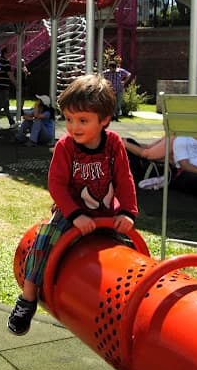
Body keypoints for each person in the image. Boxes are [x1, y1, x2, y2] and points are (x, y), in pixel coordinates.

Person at [8, 74, 137, 336]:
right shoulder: (66, 147)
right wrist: (75, 214)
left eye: (82, 120)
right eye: (68, 119)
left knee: (131, 248)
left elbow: (124, 179)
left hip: (105, 213)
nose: (73, 127)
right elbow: (56, 185)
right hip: (71, 212)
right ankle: (28, 298)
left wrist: (127, 212)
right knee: (44, 239)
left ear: (104, 120)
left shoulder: (113, 144)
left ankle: (131, 303)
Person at [0, 47, 17, 127]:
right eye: (9, 53)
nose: (10, 54)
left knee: (5, 106)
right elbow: (10, 74)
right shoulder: (5, 62)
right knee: (0, 105)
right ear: (5, 53)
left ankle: (11, 122)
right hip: (3, 87)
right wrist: (16, 84)